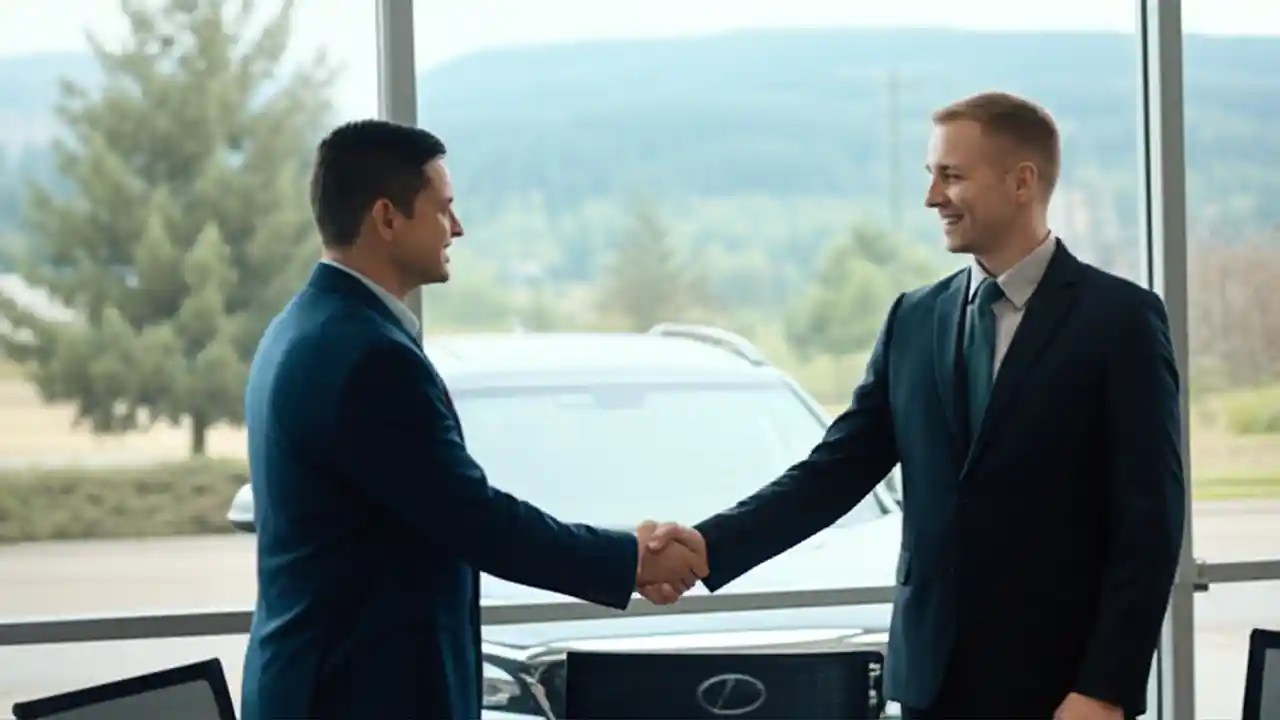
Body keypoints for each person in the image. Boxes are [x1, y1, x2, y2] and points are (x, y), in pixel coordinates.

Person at [645, 92, 1185, 720]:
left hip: (1063, 691)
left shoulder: (1120, 320)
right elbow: (834, 471)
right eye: (931, 176)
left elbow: (1149, 522)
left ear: (1022, 181)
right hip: (930, 684)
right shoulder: (914, 318)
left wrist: (1105, 688)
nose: (932, 198)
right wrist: (710, 545)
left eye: (951, 176)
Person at [239, 119, 706, 720]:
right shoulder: (367, 357)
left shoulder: (300, 329)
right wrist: (630, 560)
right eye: (443, 209)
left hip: (311, 682)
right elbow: (472, 517)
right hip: (360, 694)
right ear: (387, 219)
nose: (457, 228)